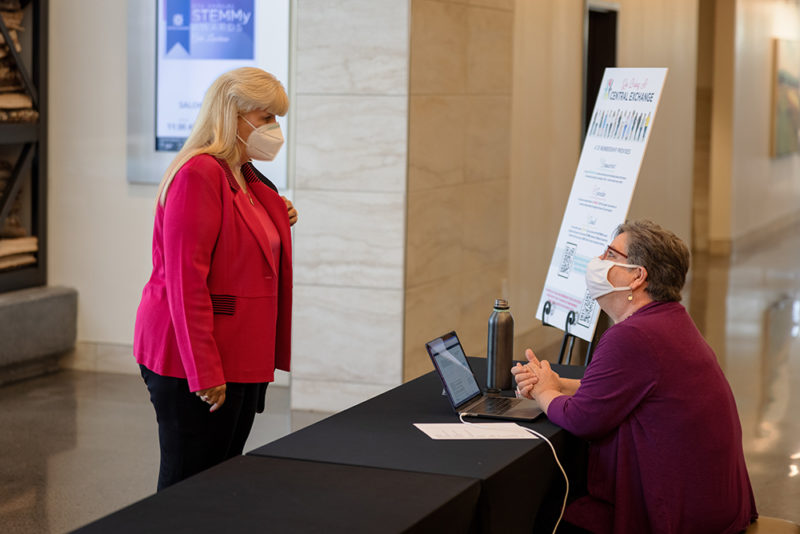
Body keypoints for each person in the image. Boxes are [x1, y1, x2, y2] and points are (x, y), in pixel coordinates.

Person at [512, 220, 757, 534]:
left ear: (638, 276)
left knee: (548, 514)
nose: (598, 261)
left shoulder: (634, 336)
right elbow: (628, 390)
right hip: (712, 503)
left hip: (682, 516)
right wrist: (557, 383)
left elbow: (582, 419)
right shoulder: (668, 319)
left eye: (611, 255)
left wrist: (544, 392)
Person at [133, 67, 297, 491]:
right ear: (234, 116)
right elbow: (186, 283)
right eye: (266, 120)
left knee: (221, 477)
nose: (274, 130)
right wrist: (203, 371)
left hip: (238, 350)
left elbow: (242, 245)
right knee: (189, 484)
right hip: (193, 356)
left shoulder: (243, 176)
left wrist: (279, 218)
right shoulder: (198, 174)